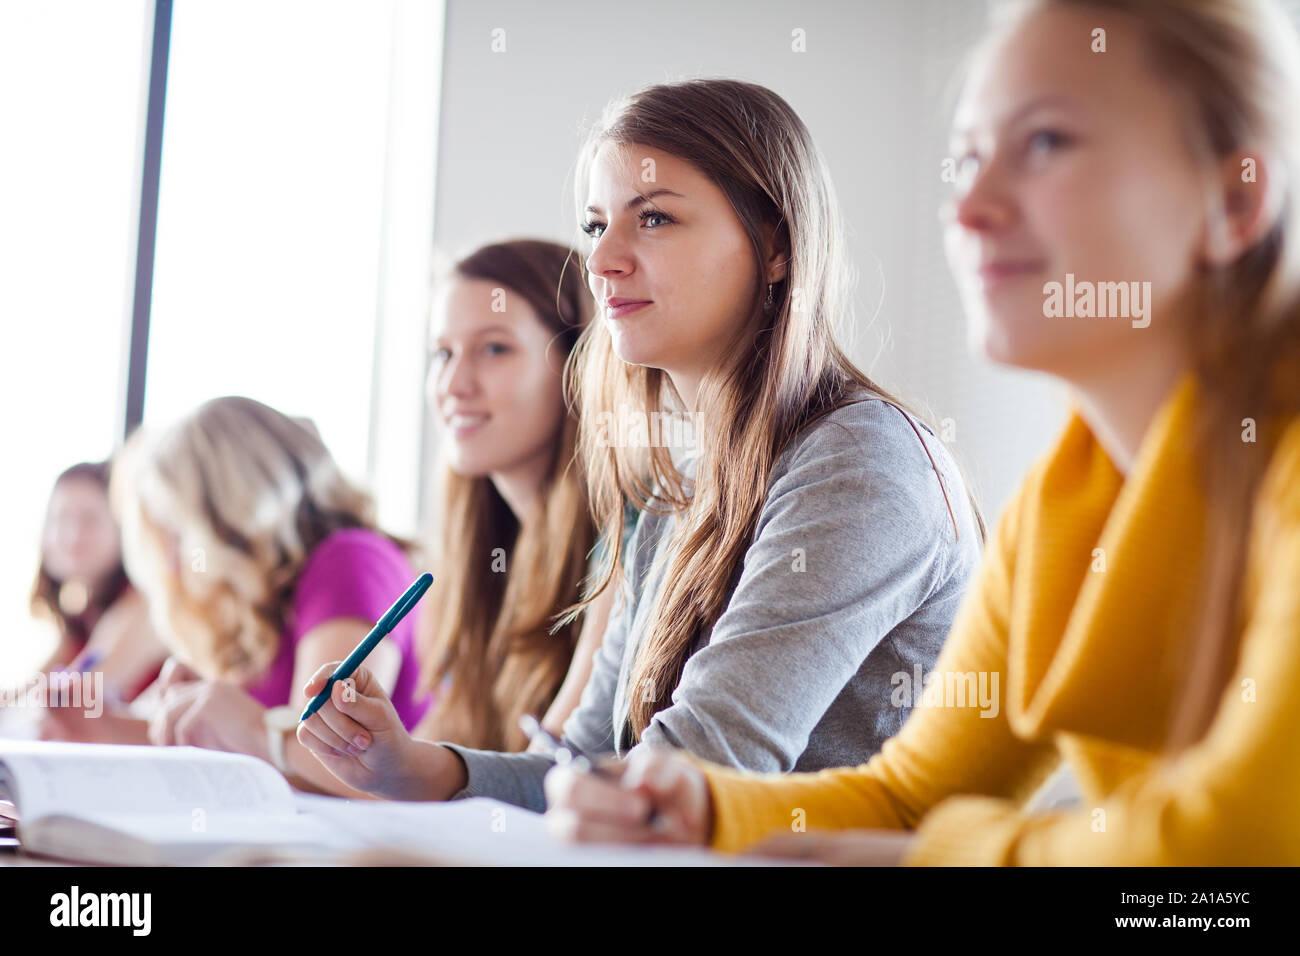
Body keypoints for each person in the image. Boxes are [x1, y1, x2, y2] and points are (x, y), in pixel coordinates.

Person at [543, 0, 1300, 866]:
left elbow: (1230, 854)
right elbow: (908, 795)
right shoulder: (1067, 503)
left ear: (1235, 200)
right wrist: (703, 807)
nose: (968, 206)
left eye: (1047, 142)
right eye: (969, 157)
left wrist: (928, 853)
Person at [295, 78, 983, 811]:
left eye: (653, 218)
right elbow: (589, 767)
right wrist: (421, 767)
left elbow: (698, 771)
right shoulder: (672, 485)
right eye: (596, 226)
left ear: (776, 247)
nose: (601, 260)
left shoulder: (860, 458)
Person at [54, 396, 433, 800]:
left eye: (181, 533)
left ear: (237, 511)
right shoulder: (267, 602)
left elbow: (342, 763)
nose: (174, 561)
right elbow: (261, 755)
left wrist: (245, 724)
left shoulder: (350, 561)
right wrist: (107, 726)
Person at [412, 238, 624, 752]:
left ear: (579, 364)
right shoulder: (467, 570)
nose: (454, 384)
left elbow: (545, 771)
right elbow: (427, 771)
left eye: (494, 348)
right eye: (443, 353)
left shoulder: (626, 546)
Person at [27, 460, 167, 703]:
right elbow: (28, 695)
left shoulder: (143, 604)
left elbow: (70, 703)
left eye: (89, 519)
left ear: (124, 528)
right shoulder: (82, 617)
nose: (72, 536)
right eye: (59, 518)